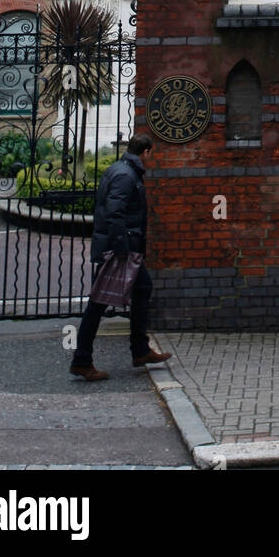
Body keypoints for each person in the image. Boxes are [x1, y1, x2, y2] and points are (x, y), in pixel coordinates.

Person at [70, 132, 171, 381]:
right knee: (98, 303)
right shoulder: (126, 176)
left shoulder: (120, 169)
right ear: (146, 152)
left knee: (141, 290)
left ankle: (140, 349)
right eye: (151, 154)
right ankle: (82, 360)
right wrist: (122, 249)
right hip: (120, 250)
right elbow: (115, 213)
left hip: (122, 247)